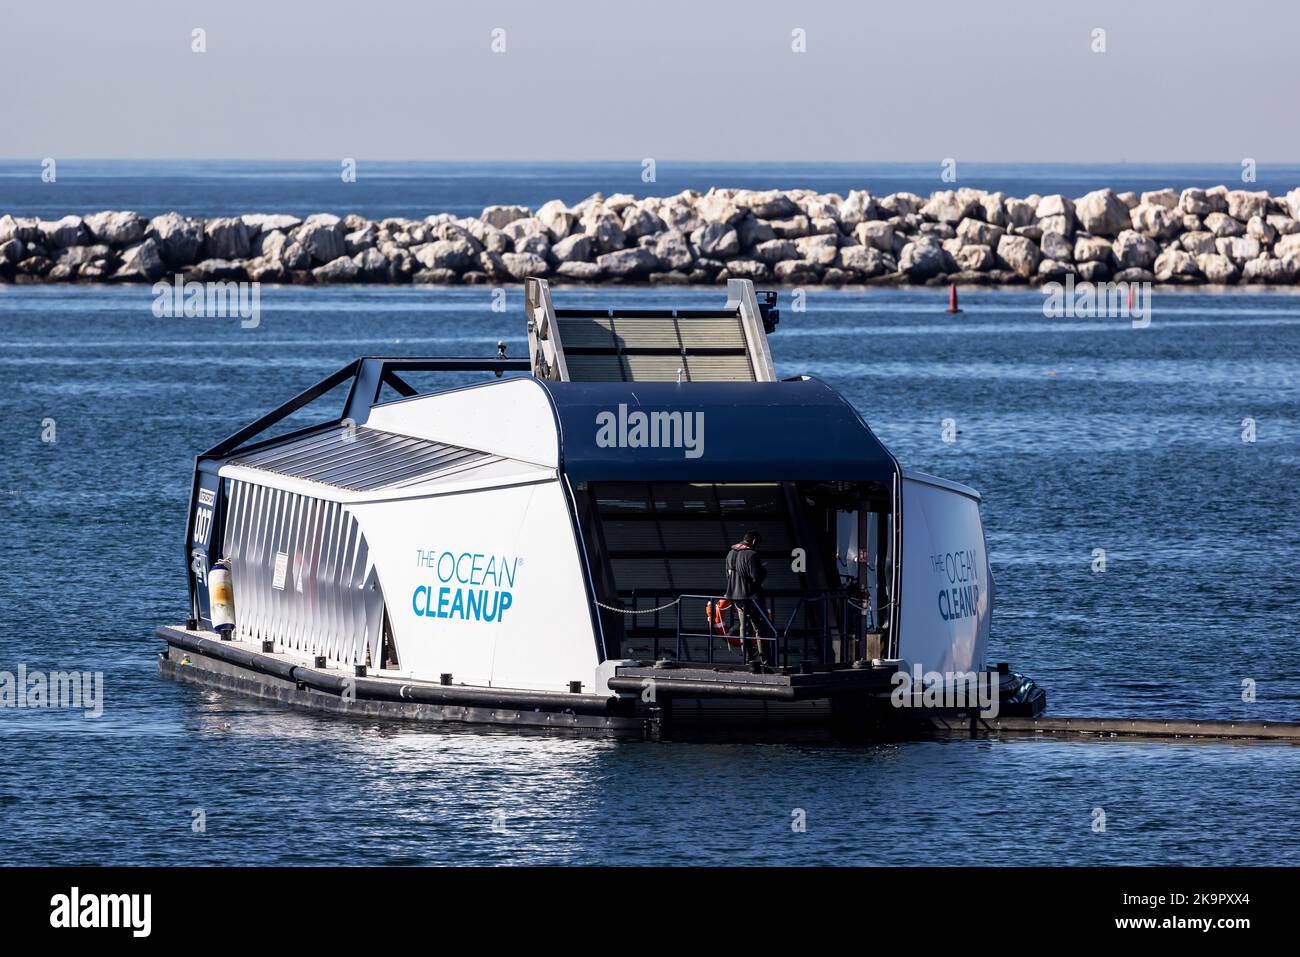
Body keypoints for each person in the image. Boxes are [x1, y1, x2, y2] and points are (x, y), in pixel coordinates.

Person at [725, 530, 774, 665]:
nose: (758, 546)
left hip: (736, 597)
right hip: (752, 597)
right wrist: (763, 570)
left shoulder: (730, 553)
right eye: (758, 543)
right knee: (761, 628)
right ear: (753, 541)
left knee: (743, 627)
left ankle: (747, 659)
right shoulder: (752, 555)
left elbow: (728, 576)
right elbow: (757, 578)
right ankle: (766, 661)